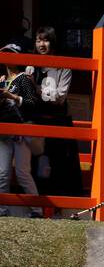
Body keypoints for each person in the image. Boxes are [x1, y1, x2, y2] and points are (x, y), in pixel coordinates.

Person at [32, 26, 84, 210]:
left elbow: (60, 98)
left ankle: (61, 206)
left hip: (58, 119)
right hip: (38, 118)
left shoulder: (63, 66)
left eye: (45, 40)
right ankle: (39, 204)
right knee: (37, 161)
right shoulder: (31, 65)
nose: (41, 44)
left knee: (61, 162)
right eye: (38, 40)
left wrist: (37, 89)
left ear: (52, 41)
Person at [0, 43, 41, 218]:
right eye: (5, 54)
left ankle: (36, 209)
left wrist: (12, 96)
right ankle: (2, 210)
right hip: (3, 129)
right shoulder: (2, 79)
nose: (8, 57)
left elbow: (33, 103)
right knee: (2, 172)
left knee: (22, 172)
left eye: (12, 54)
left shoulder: (24, 78)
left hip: (21, 129)